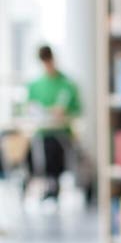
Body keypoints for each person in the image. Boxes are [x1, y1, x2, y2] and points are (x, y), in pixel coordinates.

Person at [26, 45, 81, 199]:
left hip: (60, 133)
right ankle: (30, 182)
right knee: (25, 149)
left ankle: (52, 184)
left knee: (50, 146)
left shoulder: (67, 84)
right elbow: (28, 108)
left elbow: (78, 110)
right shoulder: (34, 85)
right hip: (39, 132)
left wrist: (63, 112)